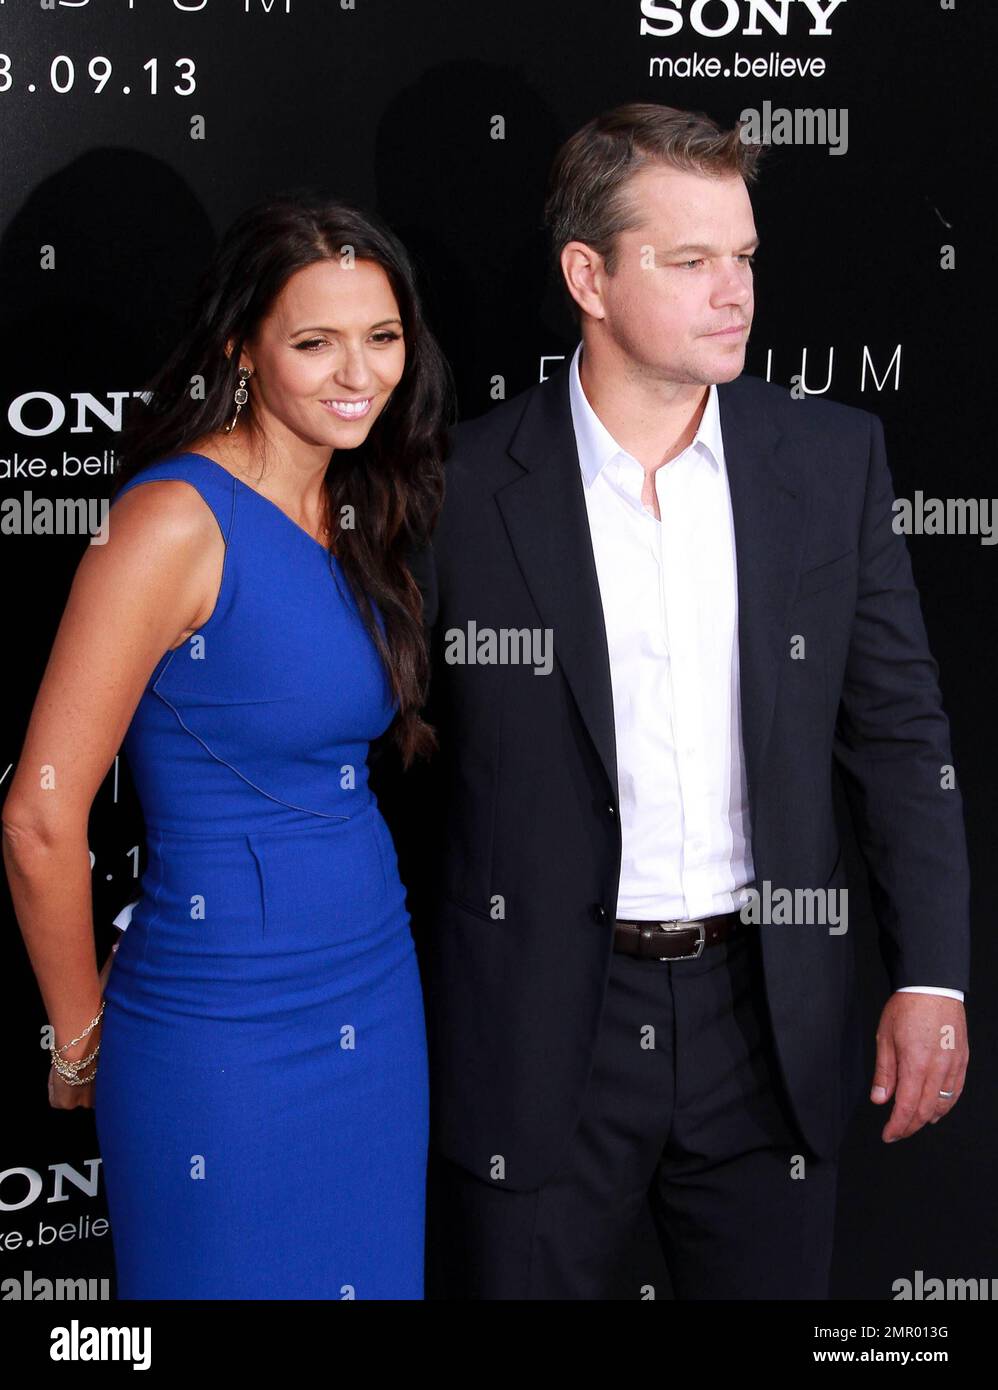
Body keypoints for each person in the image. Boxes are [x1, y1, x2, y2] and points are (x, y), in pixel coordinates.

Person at [408, 103, 972, 1300]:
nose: (735, 292)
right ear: (588, 277)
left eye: (744, 257)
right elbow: (390, 764)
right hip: (535, 1029)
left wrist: (931, 973)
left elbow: (898, 733)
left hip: (763, 1024)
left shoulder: (829, 464)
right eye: (688, 260)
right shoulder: (455, 494)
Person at [1, 191, 454, 1299]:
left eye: (381, 337)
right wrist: (76, 1037)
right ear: (242, 350)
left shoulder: (356, 503)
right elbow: (41, 813)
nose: (359, 372)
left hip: (373, 1000)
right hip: (220, 1033)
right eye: (314, 342)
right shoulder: (172, 523)